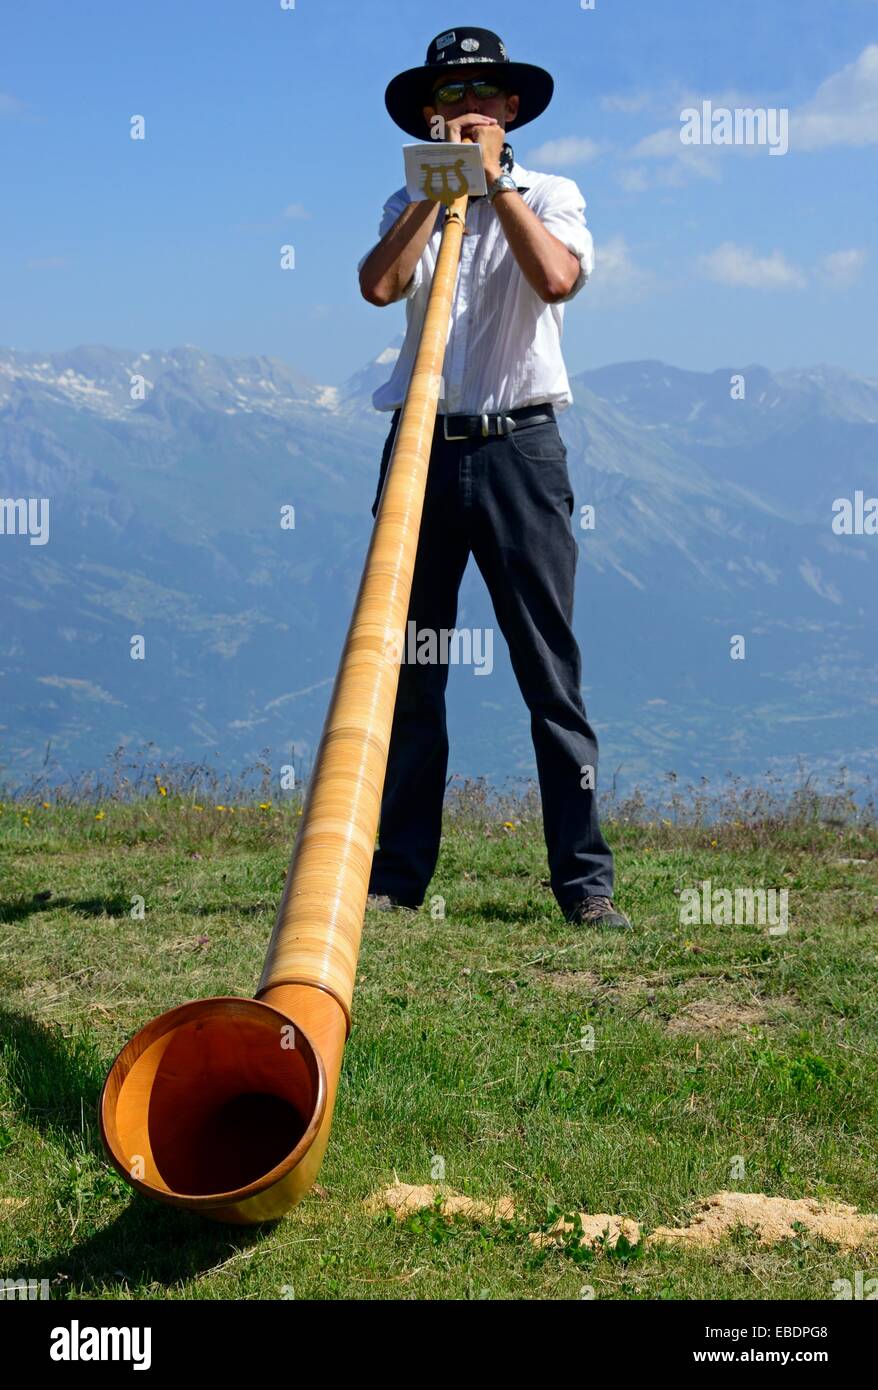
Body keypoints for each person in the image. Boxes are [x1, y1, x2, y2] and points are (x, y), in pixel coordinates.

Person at [357, 27, 631, 930]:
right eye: (449, 96)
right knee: (410, 670)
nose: (465, 107)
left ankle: (584, 884)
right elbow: (378, 286)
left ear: (510, 110)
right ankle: (398, 879)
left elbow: (556, 280)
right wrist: (435, 197)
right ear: (429, 114)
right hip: (422, 450)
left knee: (549, 673)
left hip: (519, 449)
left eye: (482, 94)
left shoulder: (553, 193)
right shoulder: (410, 196)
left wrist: (496, 185)